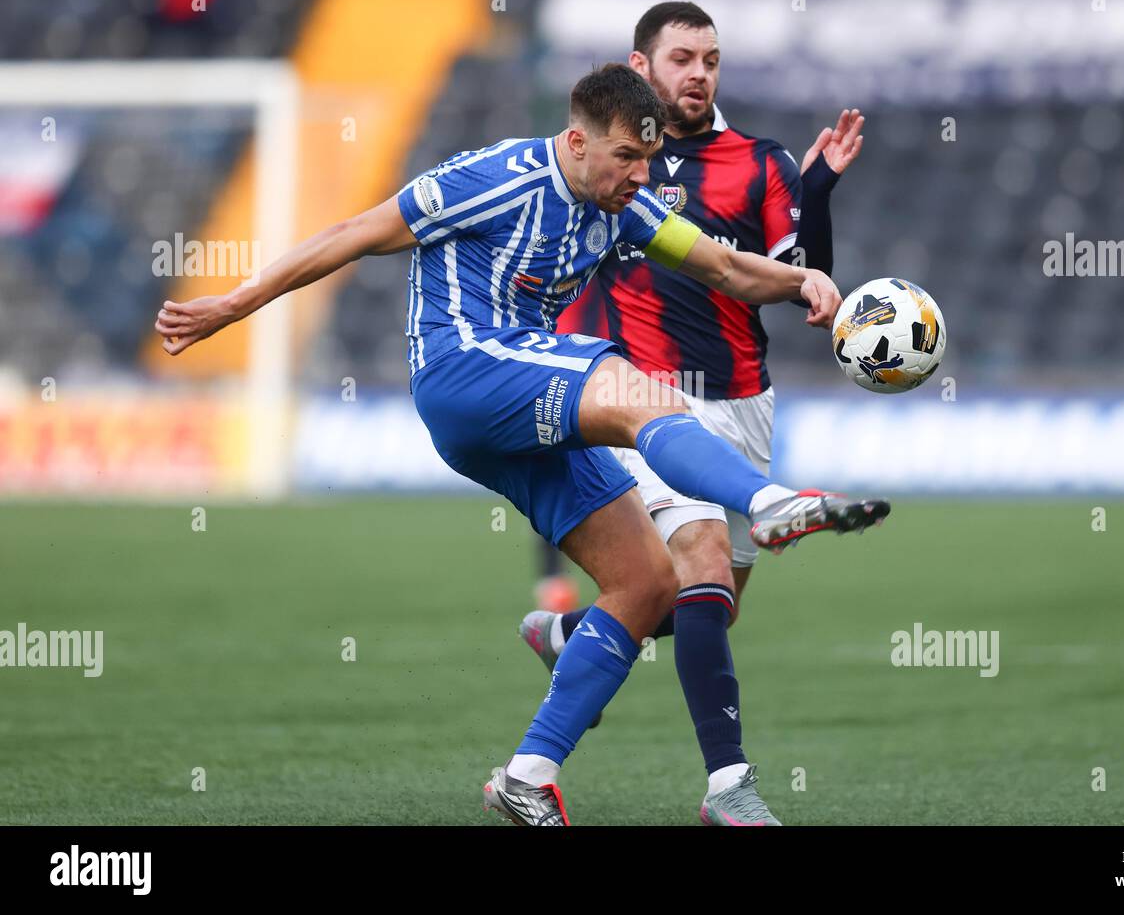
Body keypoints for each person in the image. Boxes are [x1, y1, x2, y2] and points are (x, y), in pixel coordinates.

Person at [154, 63, 888, 826]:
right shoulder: (494, 176)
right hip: (464, 366)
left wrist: (803, 284)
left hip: (513, 411)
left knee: (645, 585)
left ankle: (527, 775)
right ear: (577, 142)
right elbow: (352, 233)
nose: (640, 177)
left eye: (646, 159)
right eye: (625, 160)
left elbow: (726, 267)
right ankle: (770, 505)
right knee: (641, 393)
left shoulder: (627, 205)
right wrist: (233, 304)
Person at [520, 2, 866, 825]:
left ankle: (575, 641)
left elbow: (804, 281)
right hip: (643, 403)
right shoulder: (613, 165)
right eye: (681, 58)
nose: (698, 73)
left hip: (744, 401)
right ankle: (728, 788)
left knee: (704, 604)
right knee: (705, 559)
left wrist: (816, 190)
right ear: (640, 68)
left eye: (710, 58)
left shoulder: (762, 162)